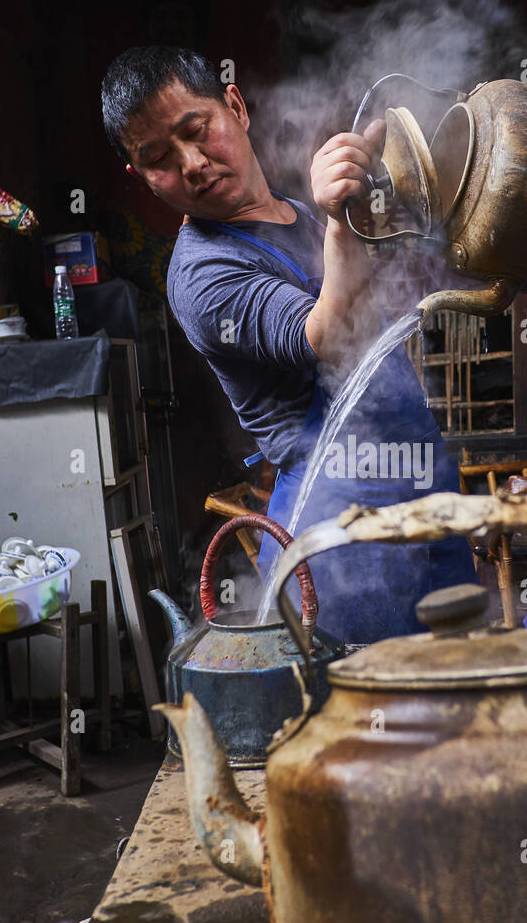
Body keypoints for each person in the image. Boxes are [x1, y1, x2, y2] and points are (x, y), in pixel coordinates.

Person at [101, 46, 475, 641]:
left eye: (196, 131)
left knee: (460, 693)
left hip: (422, 490)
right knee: (368, 718)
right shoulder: (202, 275)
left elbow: (374, 326)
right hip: (339, 537)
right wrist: (340, 222)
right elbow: (327, 337)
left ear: (234, 105)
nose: (193, 163)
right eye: (159, 159)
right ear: (140, 176)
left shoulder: (299, 217)